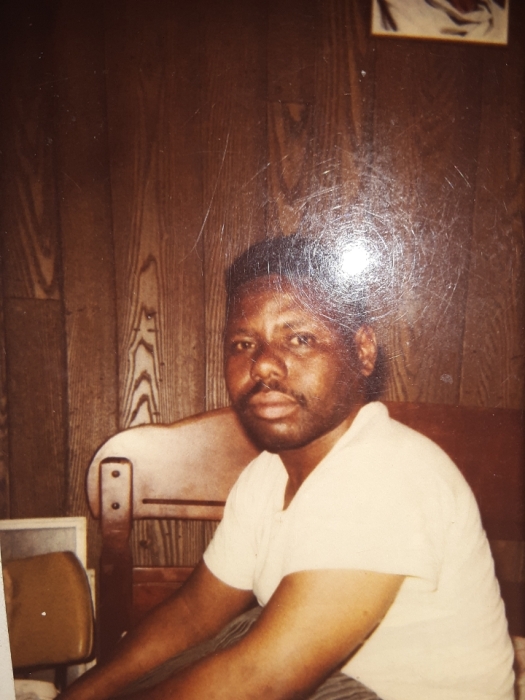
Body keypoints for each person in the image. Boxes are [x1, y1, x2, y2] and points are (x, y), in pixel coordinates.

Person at [61, 234, 515, 700]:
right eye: (243, 343)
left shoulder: (388, 468)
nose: (262, 367)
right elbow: (194, 614)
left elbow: (261, 678)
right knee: (238, 632)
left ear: (362, 351)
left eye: (299, 339)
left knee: (247, 646)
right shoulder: (267, 476)